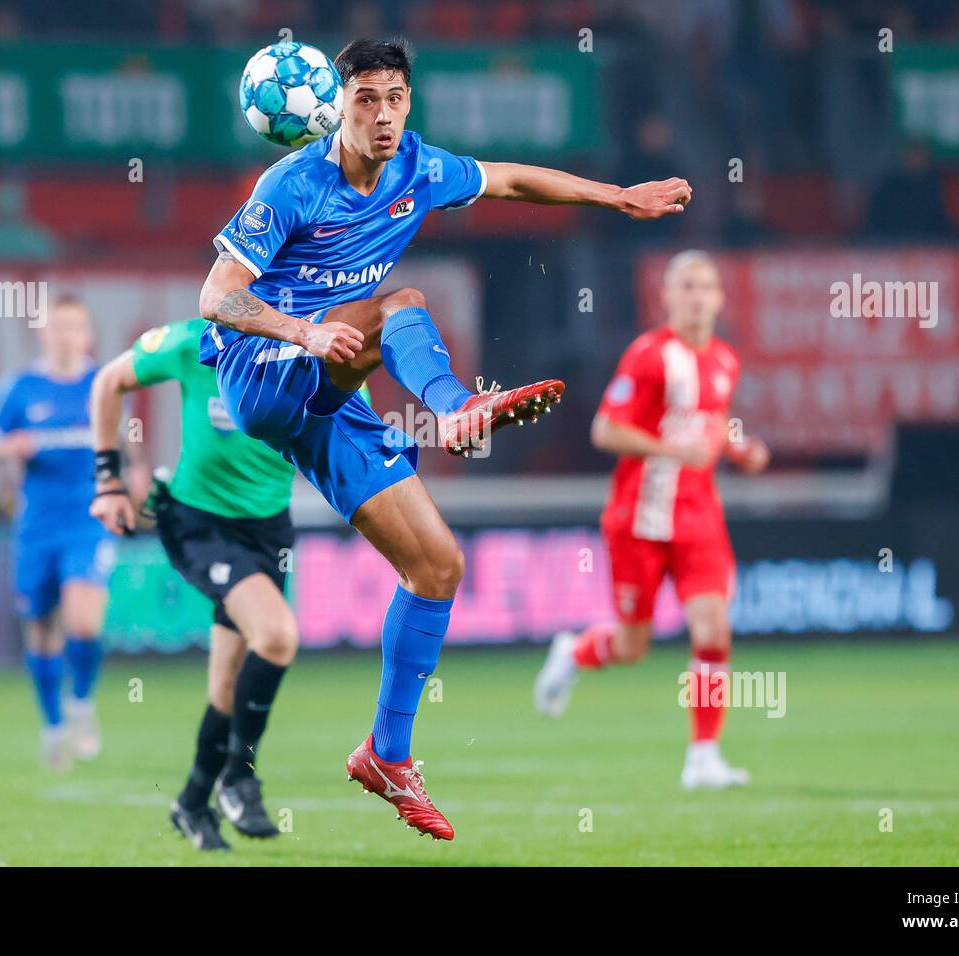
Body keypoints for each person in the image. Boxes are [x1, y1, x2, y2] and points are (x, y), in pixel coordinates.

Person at [198, 37, 692, 839]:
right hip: (261, 371)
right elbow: (216, 297)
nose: (383, 115)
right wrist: (301, 330)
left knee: (437, 567)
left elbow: (511, 179)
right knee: (402, 303)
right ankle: (457, 408)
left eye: (395, 98)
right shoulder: (292, 184)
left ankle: (387, 755)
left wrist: (617, 198)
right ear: (335, 106)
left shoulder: (419, 168)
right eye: (366, 99)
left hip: (329, 391)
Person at [89, 319, 355, 850]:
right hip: (198, 522)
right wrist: (109, 480)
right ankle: (238, 777)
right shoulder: (194, 341)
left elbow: (353, 437)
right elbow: (108, 382)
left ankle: (191, 803)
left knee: (227, 689)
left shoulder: (318, 354)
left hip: (269, 530)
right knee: (277, 637)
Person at [534, 251, 769, 789]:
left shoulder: (725, 360)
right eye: (686, 286)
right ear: (666, 296)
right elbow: (605, 430)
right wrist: (671, 450)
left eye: (705, 286)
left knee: (713, 629)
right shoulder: (649, 355)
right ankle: (574, 651)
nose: (697, 296)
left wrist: (741, 449)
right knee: (633, 647)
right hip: (638, 519)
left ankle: (703, 757)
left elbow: (714, 422)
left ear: (720, 298)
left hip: (700, 517)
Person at [0, 296, 114, 770]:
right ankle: (53, 726)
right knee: (43, 628)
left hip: (88, 520)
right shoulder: (21, 387)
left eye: (75, 326)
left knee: (84, 621)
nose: (66, 335)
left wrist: (127, 484)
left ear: (88, 334)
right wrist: (6, 446)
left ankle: (82, 703)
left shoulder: (104, 383)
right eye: (58, 326)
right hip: (36, 526)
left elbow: (121, 444)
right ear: (42, 332)